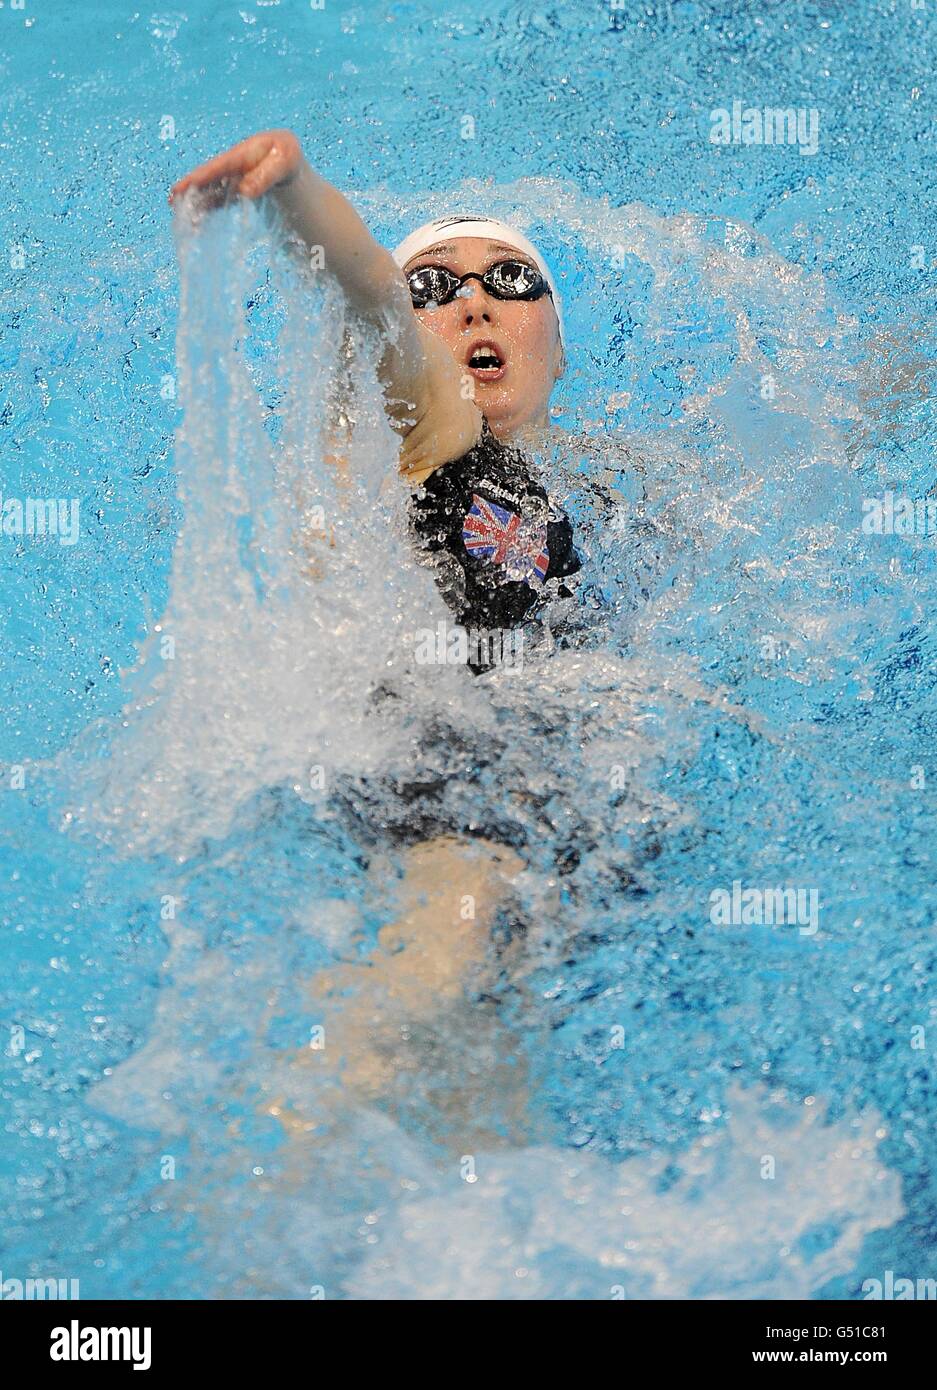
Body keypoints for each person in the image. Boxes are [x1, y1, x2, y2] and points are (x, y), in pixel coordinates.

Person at [170, 131, 582, 1137]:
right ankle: (256, 1163)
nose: (474, 303)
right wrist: (294, 190)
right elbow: (370, 300)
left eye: (511, 280)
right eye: (436, 287)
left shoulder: (625, 476)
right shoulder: (437, 437)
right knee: (420, 970)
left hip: (562, 771)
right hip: (449, 758)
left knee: (486, 1082)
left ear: (557, 342)